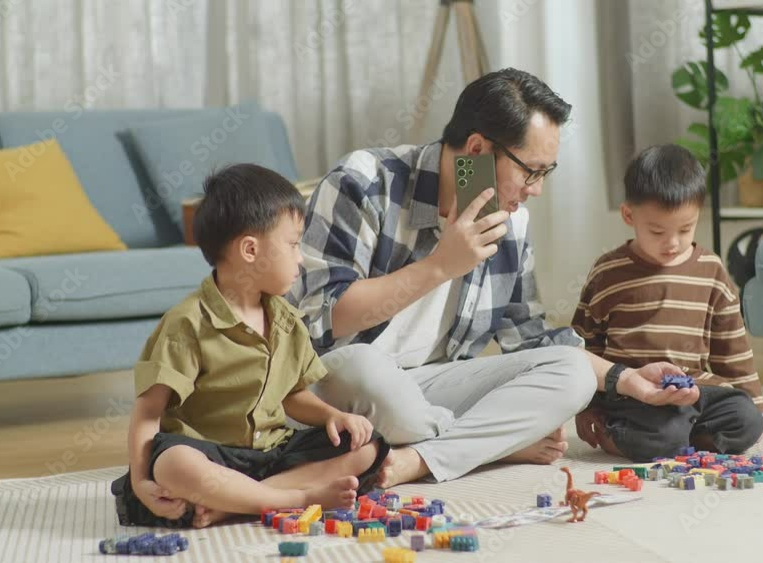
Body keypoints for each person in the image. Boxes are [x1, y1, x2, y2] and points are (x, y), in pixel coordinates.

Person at [292, 68, 691, 487]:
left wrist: (627, 379)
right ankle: (488, 441)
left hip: (432, 384)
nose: (535, 188)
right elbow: (325, 316)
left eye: (545, 173)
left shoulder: (512, 222)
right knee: (369, 372)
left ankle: (420, 458)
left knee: (571, 371)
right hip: (344, 377)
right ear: (478, 150)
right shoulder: (366, 180)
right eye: (531, 171)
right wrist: (440, 266)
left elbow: (530, 337)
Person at [111, 164, 388, 529]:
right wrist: (140, 481)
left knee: (367, 447)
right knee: (173, 466)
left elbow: (291, 396)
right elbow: (148, 412)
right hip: (208, 455)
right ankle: (293, 499)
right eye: (292, 244)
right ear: (250, 250)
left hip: (271, 453)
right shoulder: (188, 324)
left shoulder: (286, 320)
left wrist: (331, 416)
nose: (300, 258)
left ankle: (233, 504)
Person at [571, 144, 763, 462]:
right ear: (628, 215)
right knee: (658, 435)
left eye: (685, 229)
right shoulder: (608, 272)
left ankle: (680, 439)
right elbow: (585, 345)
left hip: (696, 390)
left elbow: (732, 346)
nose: (672, 243)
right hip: (633, 395)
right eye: (657, 231)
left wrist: (754, 402)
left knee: (747, 419)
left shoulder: (711, 270)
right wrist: (588, 407)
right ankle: (631, 435)